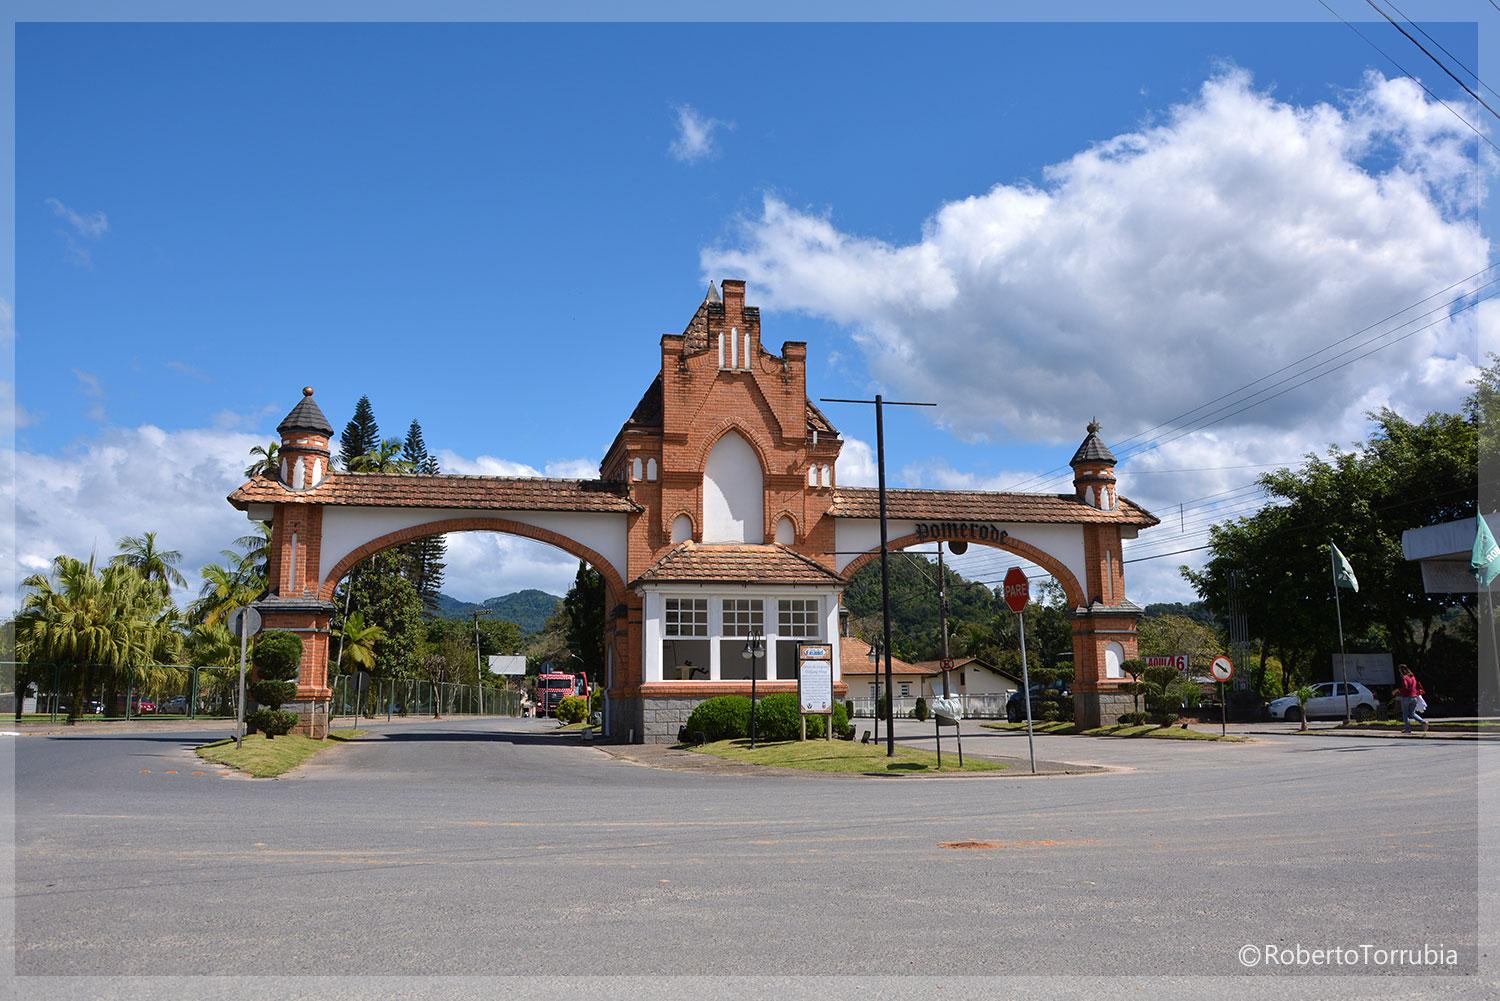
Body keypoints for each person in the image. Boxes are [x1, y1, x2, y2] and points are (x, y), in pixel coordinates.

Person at [1395, 664, 1428, 736]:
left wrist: (1398, 690)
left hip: (1406, 698)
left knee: (1405, 714)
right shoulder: (1412, 677)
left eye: (1400, 670)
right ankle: (1423, 722)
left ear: (1402, 670)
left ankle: (1407, 729)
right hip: (1414, 697)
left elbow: (1405, 687)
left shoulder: (1404, 677)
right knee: (1412, 713)